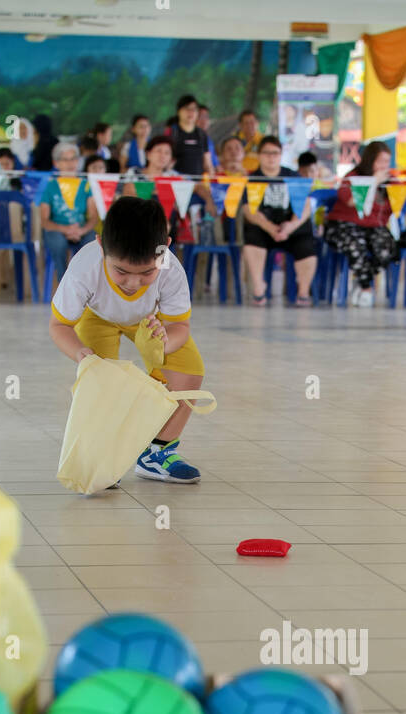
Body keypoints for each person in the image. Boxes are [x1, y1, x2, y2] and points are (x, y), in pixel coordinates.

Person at [48, 197, 206, 484]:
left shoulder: (172, 269)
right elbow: (60, 325)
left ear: (165, 247)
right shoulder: (84, 268)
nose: (133, 283)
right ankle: (102, 455)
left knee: (189, 372)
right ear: (100, 245)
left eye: (147, 272)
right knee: (102, 384)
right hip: (97, 317)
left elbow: (179, 325)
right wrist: (81, 353)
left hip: (150, 320)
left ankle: (157, 454)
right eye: (121, 271)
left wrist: (162, 345)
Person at [241, 135, 317, 307]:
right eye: (266, 153)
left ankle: (303, 291)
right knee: (251, 235)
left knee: (306, 240)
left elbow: (305, 207)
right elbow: (249, 211)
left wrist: (290, 227)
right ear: (259, 155)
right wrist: (270, 228)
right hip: (264, 228)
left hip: (290, 227)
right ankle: (259, 289)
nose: (271, 157)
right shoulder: (253, 179)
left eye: (275, 153)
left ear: (281, 155)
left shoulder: (293, 176)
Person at [324, 140, 399, 306]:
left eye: (387, 161)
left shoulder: (391, 181)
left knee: (388, 248)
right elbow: (351, 201)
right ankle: (366, 288)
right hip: (343, 225)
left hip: (373, 227)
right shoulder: (352, 177)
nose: (384, 166)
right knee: (355, 245)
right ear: (370, 160)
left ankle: (361, 280)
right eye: (380, 161)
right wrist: (373, 181)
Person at [40, 142, 98, 289]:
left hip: (81, 229)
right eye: (65, 160)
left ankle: (87, 286)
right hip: (58, 229)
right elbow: (45, 220)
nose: (70, 163)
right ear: (56, 163)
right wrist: (65, 229)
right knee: (58, 243)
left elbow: (93, 216)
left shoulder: (85, 184)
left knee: (92, 242)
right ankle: (63, 285)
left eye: (73, 159)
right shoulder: (49, 186)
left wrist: (81, 230)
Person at [168, 95, 214, 178]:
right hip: (178, 183)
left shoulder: (201, 134)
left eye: (194, 109)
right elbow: (167, 162)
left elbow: (208, 163)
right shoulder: (172, 132)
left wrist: (212, 179)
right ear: (179, 111)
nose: (191, 112)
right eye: (187, 109)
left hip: (198, 184)